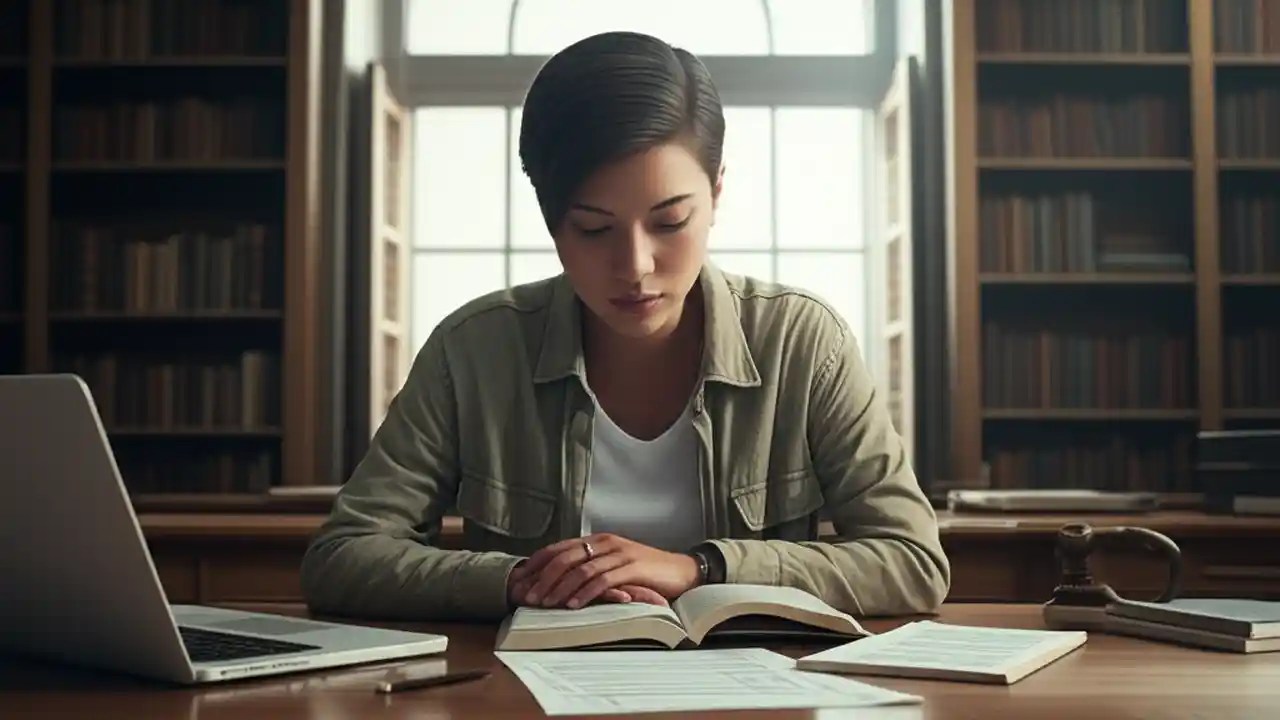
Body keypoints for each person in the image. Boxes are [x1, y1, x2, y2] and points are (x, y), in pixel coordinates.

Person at [301, 30, 949, 622]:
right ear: (552, 219)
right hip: (527, 692)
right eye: (594, 229)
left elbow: (913, 563)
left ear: (716, 193)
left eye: (670, 222)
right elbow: (343, 559)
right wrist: (521, 581)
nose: (635, 267)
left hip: (757, 689)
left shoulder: (802, 343)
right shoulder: (474, 350)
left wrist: (700, 570)